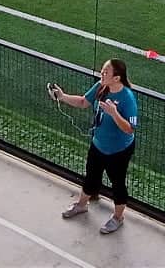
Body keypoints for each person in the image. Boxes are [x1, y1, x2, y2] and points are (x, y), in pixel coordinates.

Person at [52, 58, 139, 235]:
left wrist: (114, 113)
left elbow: (130, 129)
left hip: (119, 151)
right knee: (91, 176)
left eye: (106, 72)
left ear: (117, 78)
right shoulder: (101, 86)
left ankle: (118, 217)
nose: (102, 73)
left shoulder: (127, 98)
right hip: (98, 144)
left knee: (118, 184)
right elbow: (84, 102)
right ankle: (82, 204)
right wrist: (63, 97)